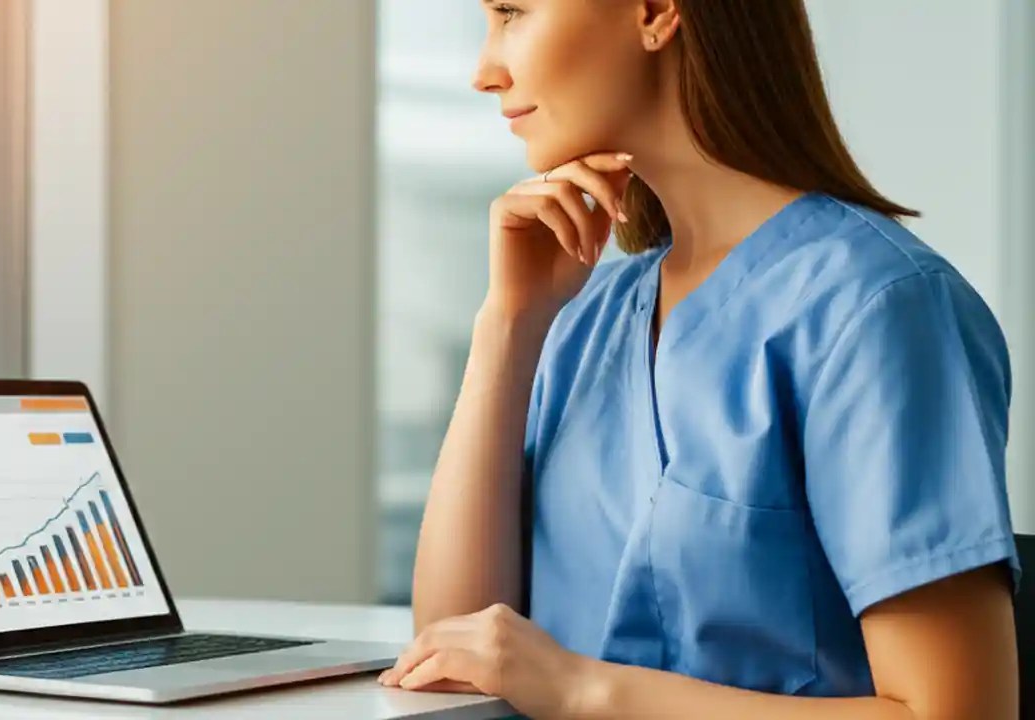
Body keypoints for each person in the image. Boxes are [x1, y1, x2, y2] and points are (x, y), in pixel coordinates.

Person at [375, 1, 1022, 717]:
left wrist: (582, 690)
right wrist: (507, 325)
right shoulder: (584, 315)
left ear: (654, 13)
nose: (484, 72)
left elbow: (956, 713)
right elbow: (452, 654)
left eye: (512, 13)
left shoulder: (877, 308)